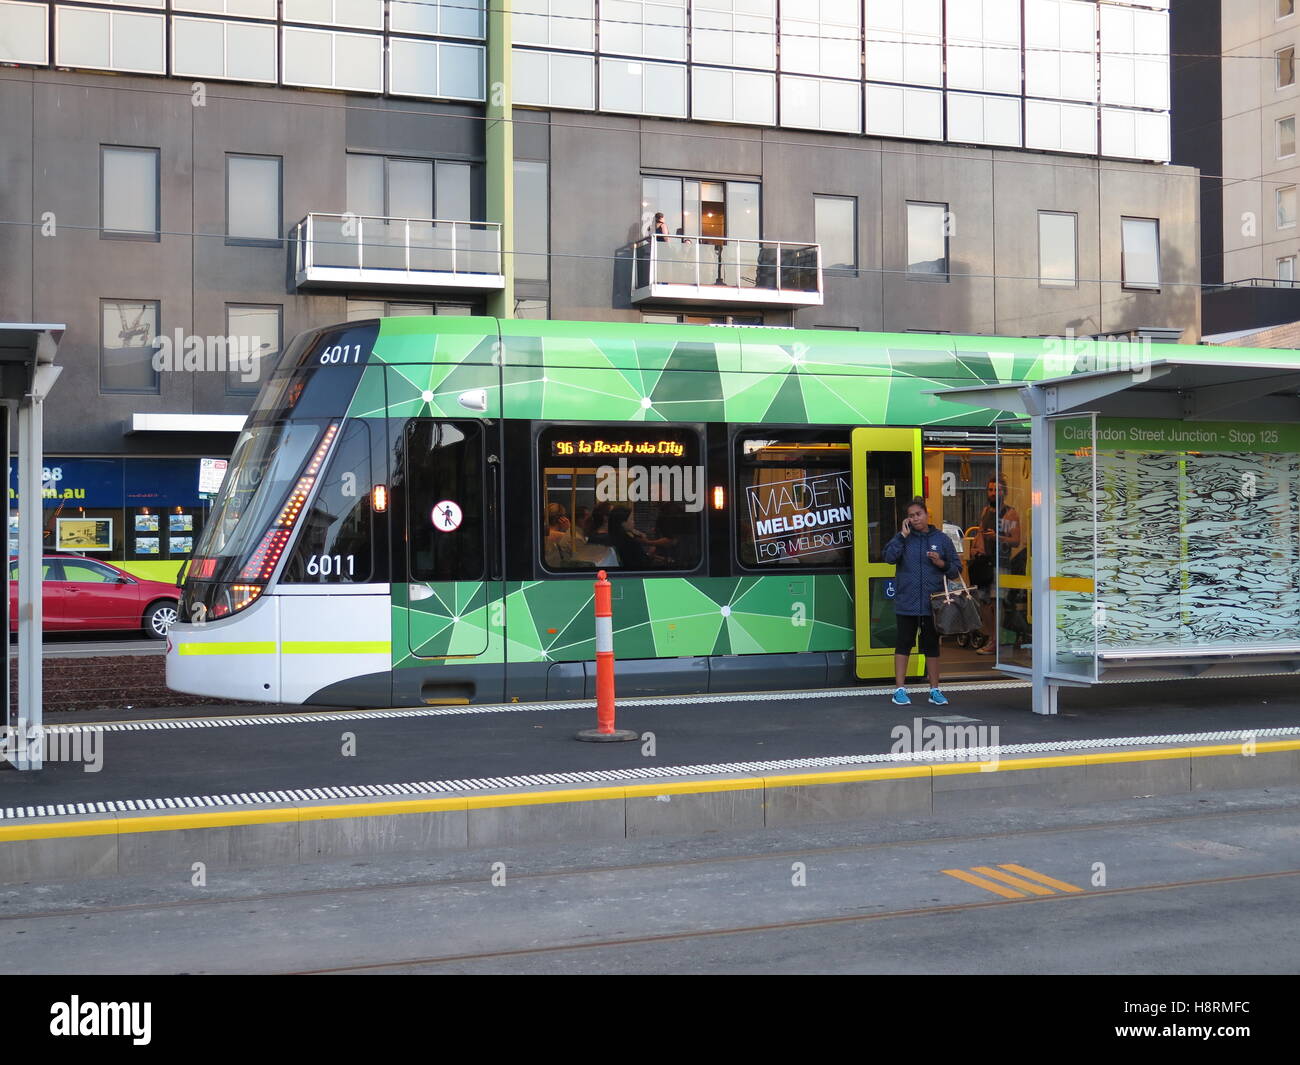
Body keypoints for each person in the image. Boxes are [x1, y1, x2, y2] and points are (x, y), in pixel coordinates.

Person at [882, 496, 960, 706]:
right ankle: (899, 689)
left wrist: (940, 562)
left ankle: (934, 689)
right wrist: (901, 536)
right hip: (906, 603)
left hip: (932, 605)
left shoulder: (942, 539)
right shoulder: (903, 538)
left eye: (918, 514)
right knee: (903, 644)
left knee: (932, 647)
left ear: (926, 514)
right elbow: (888, 557)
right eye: (911, 516)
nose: (915, 519)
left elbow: (955, 570)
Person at [971, 477, 1021, 655]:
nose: (994, 493)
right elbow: (980, 532)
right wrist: (975, 547)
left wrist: (996, 538)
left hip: (1001, 563)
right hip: (984, 563)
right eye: (991, 490)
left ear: (1004, 492)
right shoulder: (985, 511)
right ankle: (992, 637)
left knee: (996, 602)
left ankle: (996, 640)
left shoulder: (1010, 513)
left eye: (997, 490)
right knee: (983, 602)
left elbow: (1016, 541)